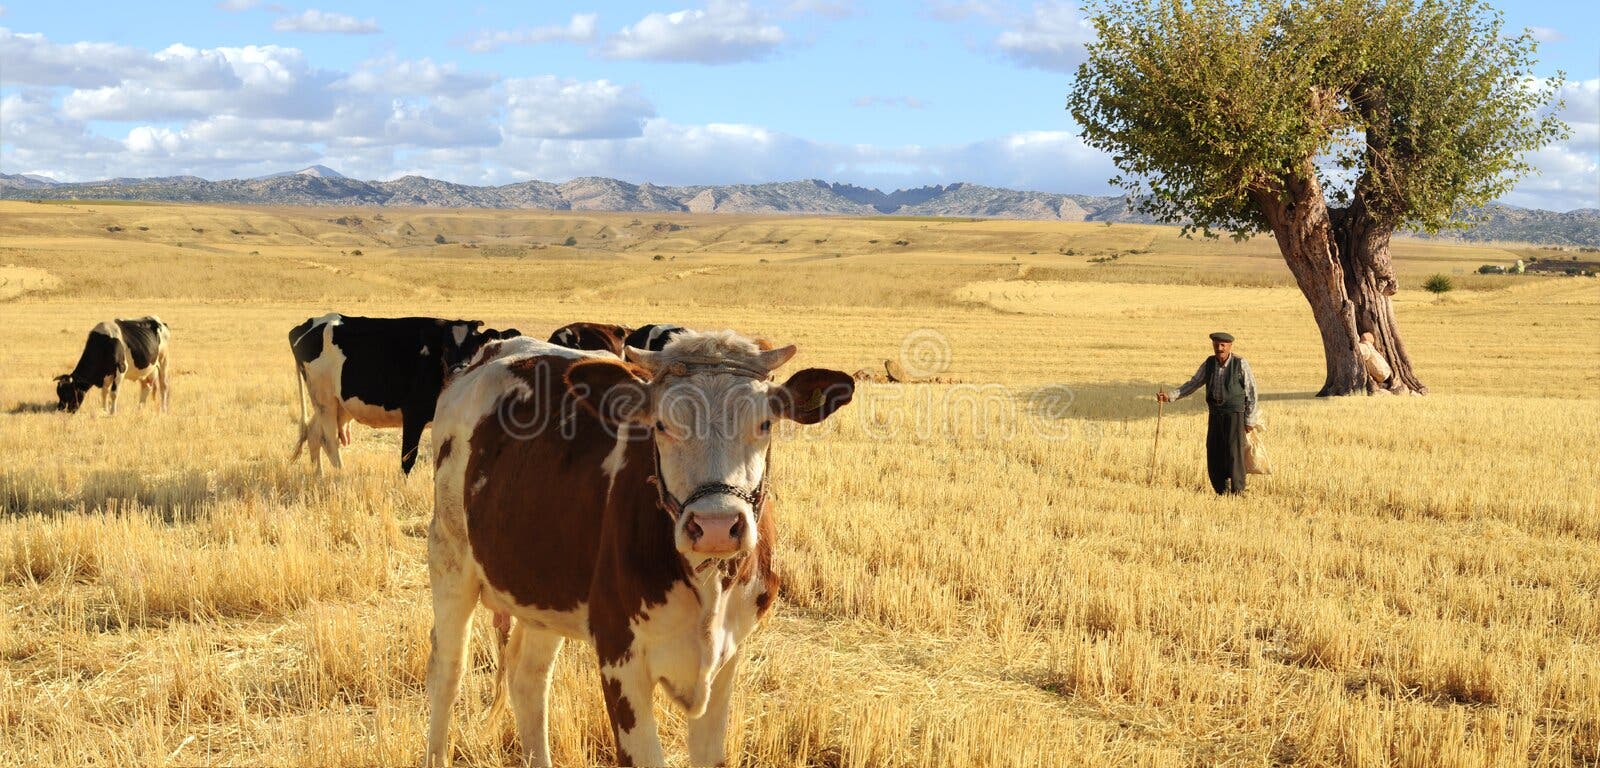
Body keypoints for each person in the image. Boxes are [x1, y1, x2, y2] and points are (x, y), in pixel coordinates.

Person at [1157, 332, 1259, 495]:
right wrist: (1170, 396)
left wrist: (1250, 419)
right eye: (1216, 345)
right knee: (1214, 450)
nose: (1219, 348)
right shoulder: (1209, 363)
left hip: (1235, 414)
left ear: (1230, 346)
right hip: (1215, 413)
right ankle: (1220, 489)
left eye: (1223, 345)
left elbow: (1252, 392)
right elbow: (1194, 383)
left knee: (1234, 452)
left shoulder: (1240, 364)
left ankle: (1238, 491)